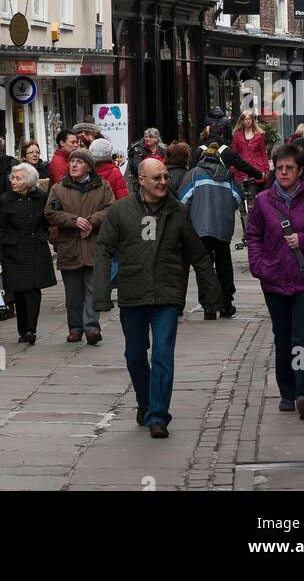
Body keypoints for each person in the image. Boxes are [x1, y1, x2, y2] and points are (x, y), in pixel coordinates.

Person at [93, 157, 222, 438]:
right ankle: (145, 401)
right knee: (135, 356)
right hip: (133, 294)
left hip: (167, 294)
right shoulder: (121, 210)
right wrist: (101, 294)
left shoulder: (177, 211)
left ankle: (158, 416)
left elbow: (197, 253)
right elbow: (103, 249)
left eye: (165, 176)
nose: (164, 182)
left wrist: (212, 295)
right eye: (157, 178)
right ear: (141, 180)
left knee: (163, 356)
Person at [246, 143, 304, 420]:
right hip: (273, 280)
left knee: (302, 339)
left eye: (289, 168)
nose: (283, 172)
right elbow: (253, 236)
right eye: (279, 167)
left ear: (299, 170)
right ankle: (287, 390)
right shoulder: (262, 201)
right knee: (282, 339)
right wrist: (259, 267)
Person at [45, 148, 114, 345]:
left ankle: (92, 328)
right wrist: (74, 220)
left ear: (89, 167)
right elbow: (50, 212)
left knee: (94, 290)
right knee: (73, 294)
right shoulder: (59, 188)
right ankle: (75, 328)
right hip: (70, 247)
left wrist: (91, 221)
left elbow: (111, 209)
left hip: (94, 245)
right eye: (71, 161)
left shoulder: (102, 186)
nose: (74, 165)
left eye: (79, 162)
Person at [178, 136, 243, 318]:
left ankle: (208, 306)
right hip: (223, 228)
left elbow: (182, 201)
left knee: (204, 267)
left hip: (199, 228)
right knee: (224, 264)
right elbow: (238, 199)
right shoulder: (228, 176)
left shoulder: (194, 174)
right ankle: (226, 303)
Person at [0, 163, 56, 343]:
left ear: (29, 182)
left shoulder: (40, 197)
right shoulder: (4, 200)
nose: (13, 181)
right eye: (12, 178)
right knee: (19, 292)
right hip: (14, 250)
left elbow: (46, 219)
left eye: (18, 178)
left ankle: (31, 329)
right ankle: (23, 328)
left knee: (34, 291)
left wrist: (43, 234)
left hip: (35, 247)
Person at [191, 123, 262, 181]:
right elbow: (243, 166)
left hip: (201, 189)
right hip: (222, 189)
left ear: (209, 134)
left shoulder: (199, 150)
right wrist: (258, 174)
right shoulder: (227, 151)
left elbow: (191, 171)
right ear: (222, 135)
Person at [230, 112, 270, 187]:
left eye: (249, 119)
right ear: (242, 121)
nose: (248, 121)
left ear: (252, 120)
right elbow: (234, 154)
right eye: (245, 119)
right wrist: (232, 169)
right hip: (242, 168)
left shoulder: (259, 135)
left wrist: (266, 169)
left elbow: (263, 153)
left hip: (258, 167)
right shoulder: (237, 136)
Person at [125, 128, 167, 194]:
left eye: (150, 137)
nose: (147, 139)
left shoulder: (163, 150)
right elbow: (137, 168)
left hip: (160, 181)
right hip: (144, 183)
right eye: (146, 137)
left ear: (156, 139)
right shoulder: (138, 150)